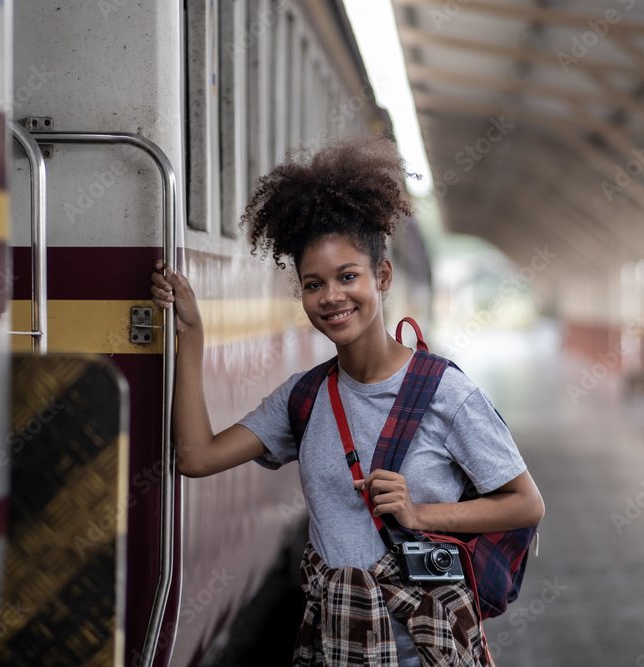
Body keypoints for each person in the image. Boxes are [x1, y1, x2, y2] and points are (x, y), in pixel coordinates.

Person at [150, 135, 544, 666]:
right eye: (314, 284)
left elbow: (525, 503)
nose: (332, 296)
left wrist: (421, 513)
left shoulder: (444, 391)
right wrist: (191, 337)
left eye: (348, 276)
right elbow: (196, 457)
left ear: (382, 277)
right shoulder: (305, 397)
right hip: (333, 642)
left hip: (422, 646)